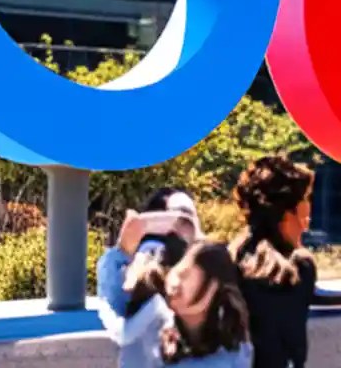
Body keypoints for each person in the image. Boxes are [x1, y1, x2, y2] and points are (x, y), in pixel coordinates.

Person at [98, 212, 252, 367]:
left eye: (187, 281)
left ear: (214, 291)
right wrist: (122, 251)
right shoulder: (151, 311)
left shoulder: (231, 354)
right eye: (179, 272)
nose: (175, 284)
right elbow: (113, 312)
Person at [232, 156, 317, 368]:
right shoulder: (299, 268)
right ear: (287, 214)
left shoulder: (229, 259)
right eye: (306, 200)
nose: (305, 224)